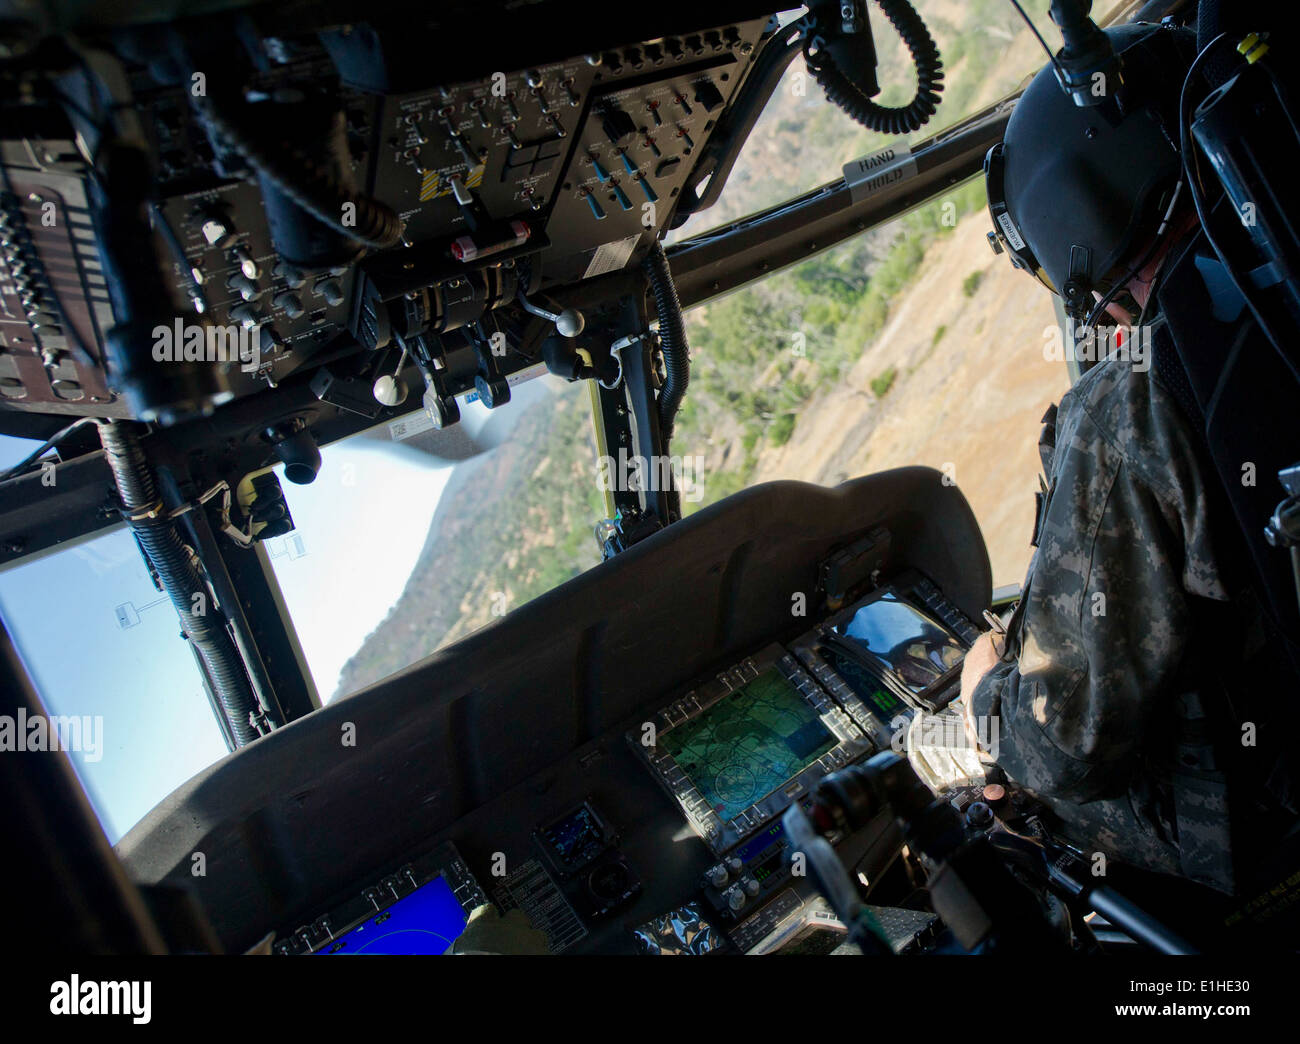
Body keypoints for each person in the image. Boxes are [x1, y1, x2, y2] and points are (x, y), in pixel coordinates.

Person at [956, 19, 1293, 900]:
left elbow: (1065, 745)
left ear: (1079, 229)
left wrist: (985, 693)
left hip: (1274, 831)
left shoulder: (1131, 405)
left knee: (994, 809)